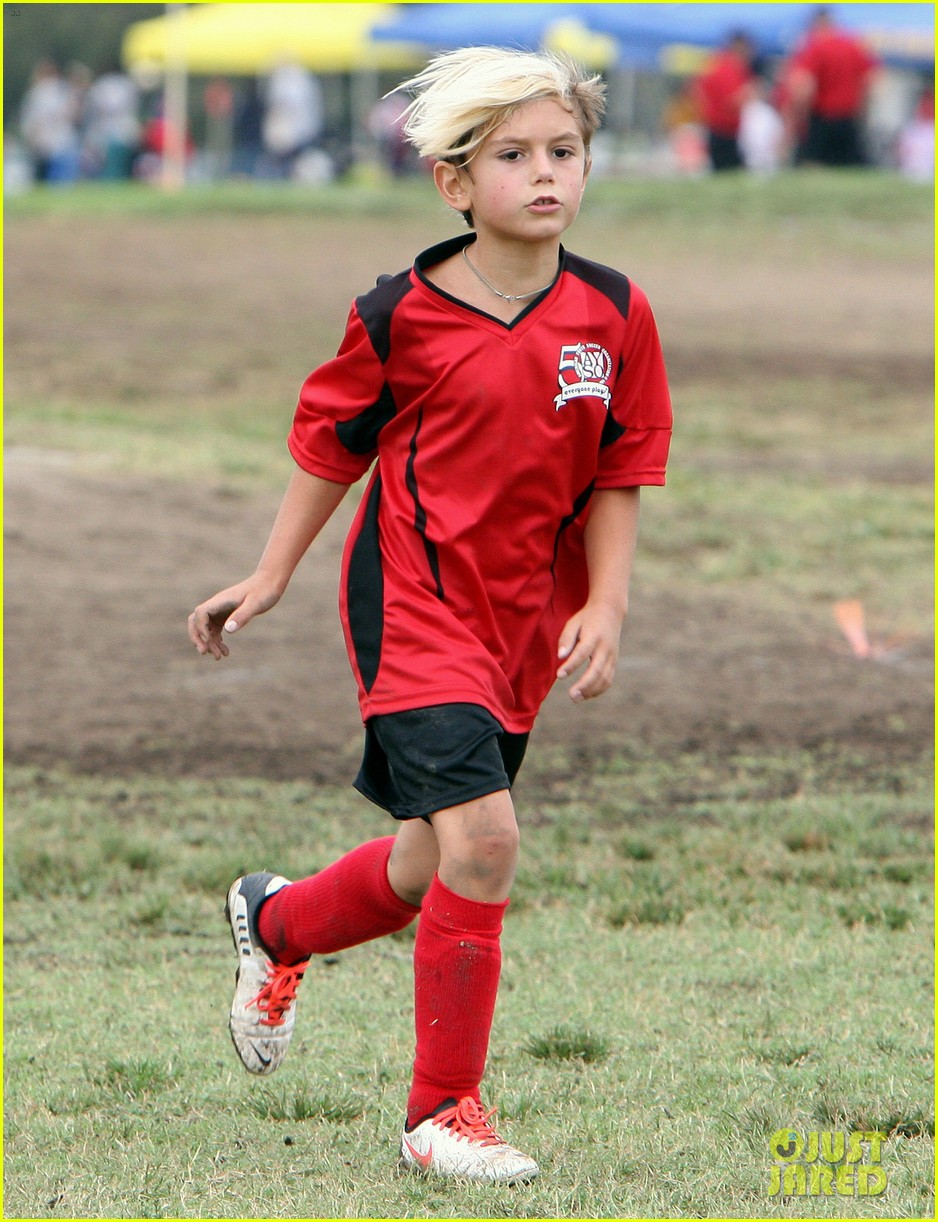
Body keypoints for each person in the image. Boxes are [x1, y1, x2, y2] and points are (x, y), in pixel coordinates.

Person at [188, 46, 672, 1184]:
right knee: (487, 840)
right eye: (513, 156)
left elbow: (620, 468)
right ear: (454, 182)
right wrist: (269, 575)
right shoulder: (397, 313)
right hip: (409, 603)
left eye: (564, 152)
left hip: (522, 622)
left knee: (422, 868)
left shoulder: (612, 313)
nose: (545, 174)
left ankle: (277, 924)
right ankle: (440, 1113)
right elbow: (330, 449)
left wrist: (605, 600)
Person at [787, 6, 879, 167]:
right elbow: (872, 78)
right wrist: (864, 107)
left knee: (811, 165)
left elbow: (804, 84)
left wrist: (798, 114)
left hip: (822, 118)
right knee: (851, 167)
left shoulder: (815, 47)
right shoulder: (852, 44)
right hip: (849, 118)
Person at [693, 31, 755, 171]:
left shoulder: (717, 65)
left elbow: (699, 91)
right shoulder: (727, 69)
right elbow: (732, 102)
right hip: (723, 130)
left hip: (722, 128)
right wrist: (751, 93)